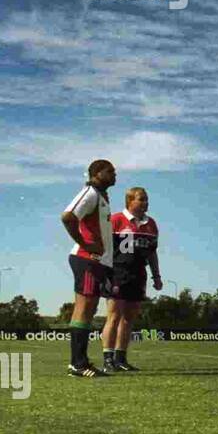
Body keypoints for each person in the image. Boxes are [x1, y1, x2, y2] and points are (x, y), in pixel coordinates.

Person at [59, 159, 117, 378]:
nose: (114, 175)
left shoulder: (101, 197)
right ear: (96, 173)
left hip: (97, 262)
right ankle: (78, 364)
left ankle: (80, 362)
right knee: (84, 310)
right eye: (110, 171)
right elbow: (68, 217)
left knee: (88, 311)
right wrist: (85, 244)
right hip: (87, 260)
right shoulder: (90, 192)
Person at [102, 187, 161, 372]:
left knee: (129, 319)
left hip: (139, 274)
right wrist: (104, 273)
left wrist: (156, 275)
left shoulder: (151, 224)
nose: (146, 203)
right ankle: (108, 358)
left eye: (147, 199)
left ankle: (121, 358)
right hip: (118, 272)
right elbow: (104, 248)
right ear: (130, 201)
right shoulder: (116, 220)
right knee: (113, 316)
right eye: (141, 199)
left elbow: (152, 253)